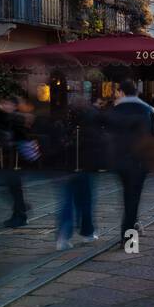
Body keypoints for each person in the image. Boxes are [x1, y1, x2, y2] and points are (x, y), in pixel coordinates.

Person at [106, 79, 154, 238]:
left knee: (128, 195)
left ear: (121, 92)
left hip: (118, 160)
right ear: (136, 92)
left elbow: (106, 136)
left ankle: (132, 225)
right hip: (140, 161)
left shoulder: (113, 111)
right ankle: (129, 239)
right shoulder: (149, 110)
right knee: (133, 197)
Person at [55, 97, 103, 250]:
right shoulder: (92, 127)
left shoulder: (64, 125)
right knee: (86, 201)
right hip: (85, 167)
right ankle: (87, 232)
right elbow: (98, 148)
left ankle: (64, 236)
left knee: (67, 202)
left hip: (67, 168)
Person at [0, 95, 31, 228]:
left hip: (16, 159)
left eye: (9, 104)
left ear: (14, 106)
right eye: (4, 103)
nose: (6, 106)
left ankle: (21, 215)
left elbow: (23, 137)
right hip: (8, 158)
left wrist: (11, 141)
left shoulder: (17, 119)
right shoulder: (2, 117)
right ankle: (19, 212)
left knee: (15, 188)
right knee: (11, 188)